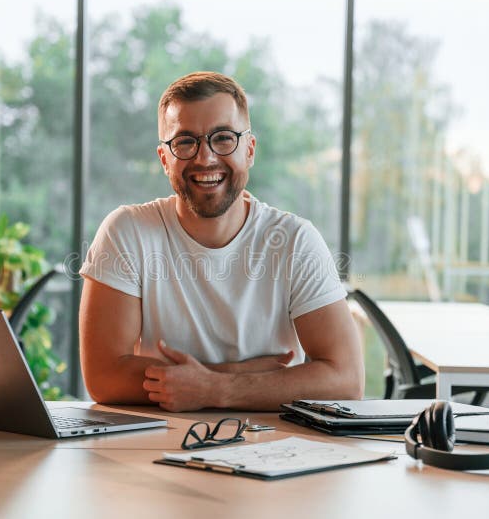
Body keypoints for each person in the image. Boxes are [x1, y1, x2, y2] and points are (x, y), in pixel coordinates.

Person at [79, 71, 364, 412]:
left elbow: (346, 381)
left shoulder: (295, 241)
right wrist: (234, 376)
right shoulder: (127, 231)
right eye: (185, 142)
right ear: (164, 159)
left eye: (224, 138)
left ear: (250, 149)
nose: (205, 158)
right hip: (156, 447)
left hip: (275, 451)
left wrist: (215, 390)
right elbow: (104, 376)